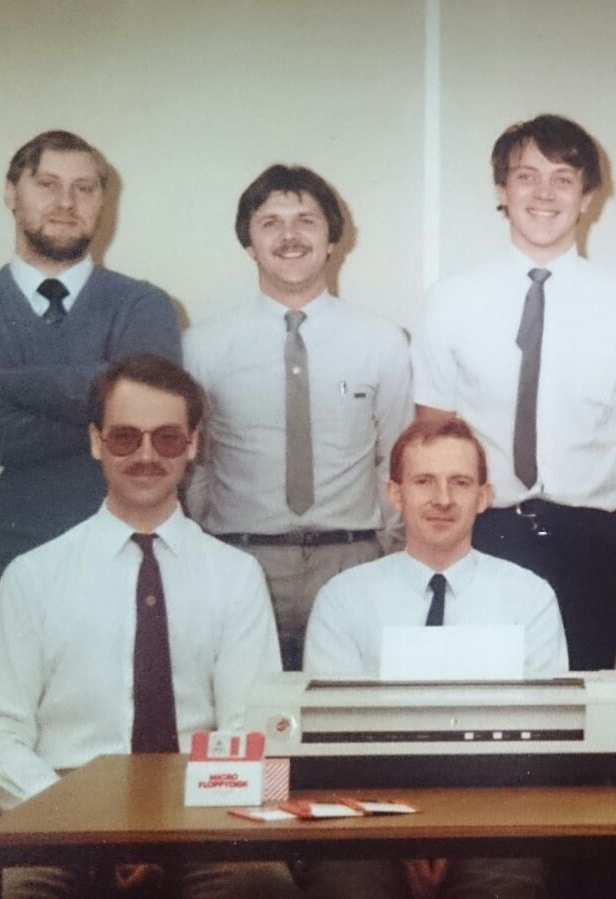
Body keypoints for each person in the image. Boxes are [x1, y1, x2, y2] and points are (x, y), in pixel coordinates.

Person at [0, 129, 181, 856]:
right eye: (47, 183)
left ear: (103, 203)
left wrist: (5, 382)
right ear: (11, 191)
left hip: (120, 567)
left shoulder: (144, 305)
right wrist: (97, 406)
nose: (65, 201)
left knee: (127, 757)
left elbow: (146, 413)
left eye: (84, 187)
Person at [0, 355, 294, 898]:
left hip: (198, 818)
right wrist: (82, 823)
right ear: (95, 441)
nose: (144, 456)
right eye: (124, 438)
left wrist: (186, 826)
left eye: (165, 438)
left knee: (263, 888)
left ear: (192, 444)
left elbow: (250, 734)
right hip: (58, 816)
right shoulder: (33, 576)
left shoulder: (236, 577)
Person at [410, 113, 616, 670]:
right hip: (483, 531)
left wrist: (591, 497)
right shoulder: (451, 300)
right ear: (502, 191)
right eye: (527, 176)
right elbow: (434, 431)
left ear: (587, 197)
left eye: (564, 178)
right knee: (476, 704)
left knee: (579, 712)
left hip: (586, 540)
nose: (544, 193)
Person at [301, 416, 560, 899]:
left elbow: (539, 743)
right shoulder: (343, 599)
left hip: (493, 824)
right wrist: (403, 835)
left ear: (483, 496)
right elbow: (335, 746)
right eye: (424, 481)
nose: (443, 499)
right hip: (369, 824)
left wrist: (459, 830)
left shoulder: (531, 598)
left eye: (459, 483)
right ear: (395, 494)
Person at [185, 164, 412, 670]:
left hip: (351, 560)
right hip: (240, 560)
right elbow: (197, 468)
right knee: (248, 723)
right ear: (248, 243)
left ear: (332, 239)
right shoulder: (204, 345)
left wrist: (381, 550)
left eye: (306, 220)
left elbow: (395, 458)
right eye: (270, 223)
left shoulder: (382, 342)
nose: (289, 236)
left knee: (347, 729)